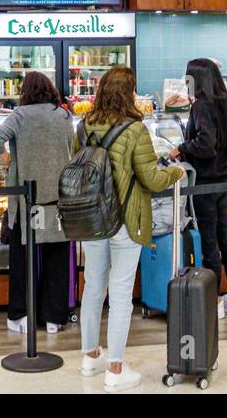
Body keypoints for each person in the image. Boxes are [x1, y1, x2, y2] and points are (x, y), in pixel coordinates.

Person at [78, 65, 184, 392]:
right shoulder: (135, 129)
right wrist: (175, 174)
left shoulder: (83, 125)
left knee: (94, 285)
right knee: (121, 291)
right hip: (125, 219)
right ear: (129, 93)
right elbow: (151, 178)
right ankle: (115, 368)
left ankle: (90, 355)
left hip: (91, 218)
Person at [0, 72, 74, 335]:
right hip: (57, 198)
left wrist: (8, 159)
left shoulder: (20, 116)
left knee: (23, 258)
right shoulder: (64, 116)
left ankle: (19, 316)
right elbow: (72, 146)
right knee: (56, 258)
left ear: (25, 92)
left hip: (26, 200)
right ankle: (53, 319)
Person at [169, 57, 227, 318]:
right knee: (226, 236)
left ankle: (217, 300)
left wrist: (181, 149)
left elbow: (205, 144)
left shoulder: (201, 105)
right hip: (225, 179)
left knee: (210, 241)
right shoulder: (225, 102)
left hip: (207, 181)